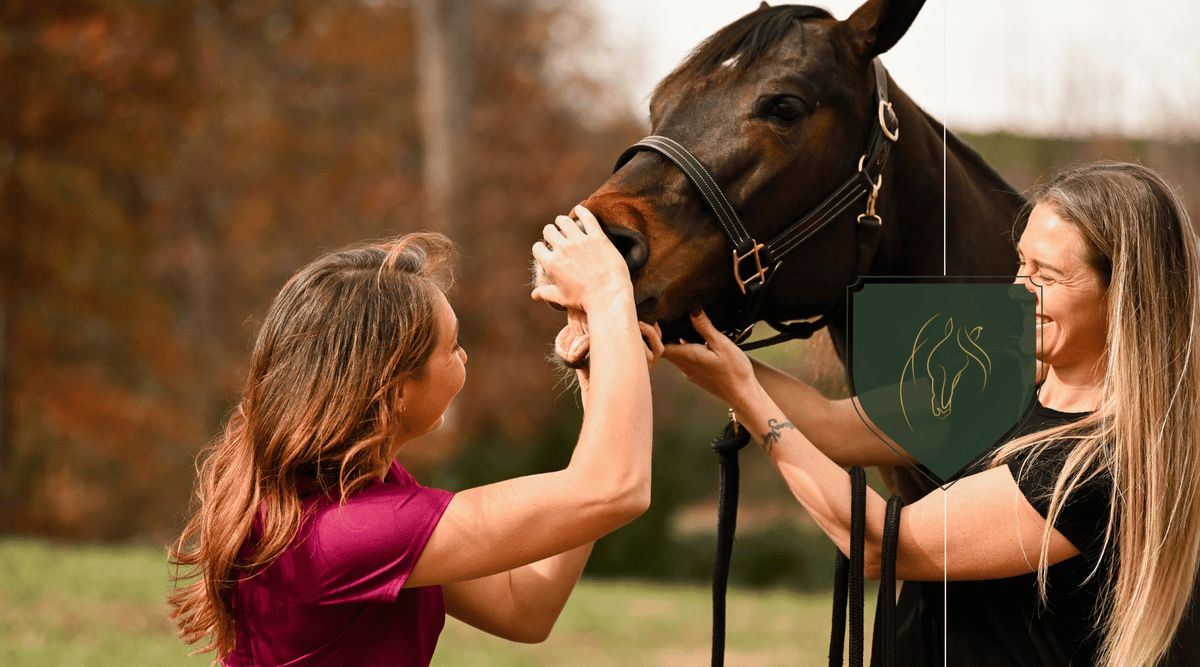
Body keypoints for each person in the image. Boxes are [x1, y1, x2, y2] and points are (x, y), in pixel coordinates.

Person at [659, 162, 1200, 667]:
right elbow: (831, 427)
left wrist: (748, 399)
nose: (1018, 289)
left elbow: (878, 543)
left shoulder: (1092, 466)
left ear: (1125, 295)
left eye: (1048, 276)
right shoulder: (1002, 386)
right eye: (1021, 262)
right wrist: (685, 340)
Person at [168, 206, 659, 665]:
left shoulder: (342, 490)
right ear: (396, 391)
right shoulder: (349, 533)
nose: (464, 357)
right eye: (451, 346)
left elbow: (522, 606)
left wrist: (599, 389)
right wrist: (608, 292)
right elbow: (615, 488)